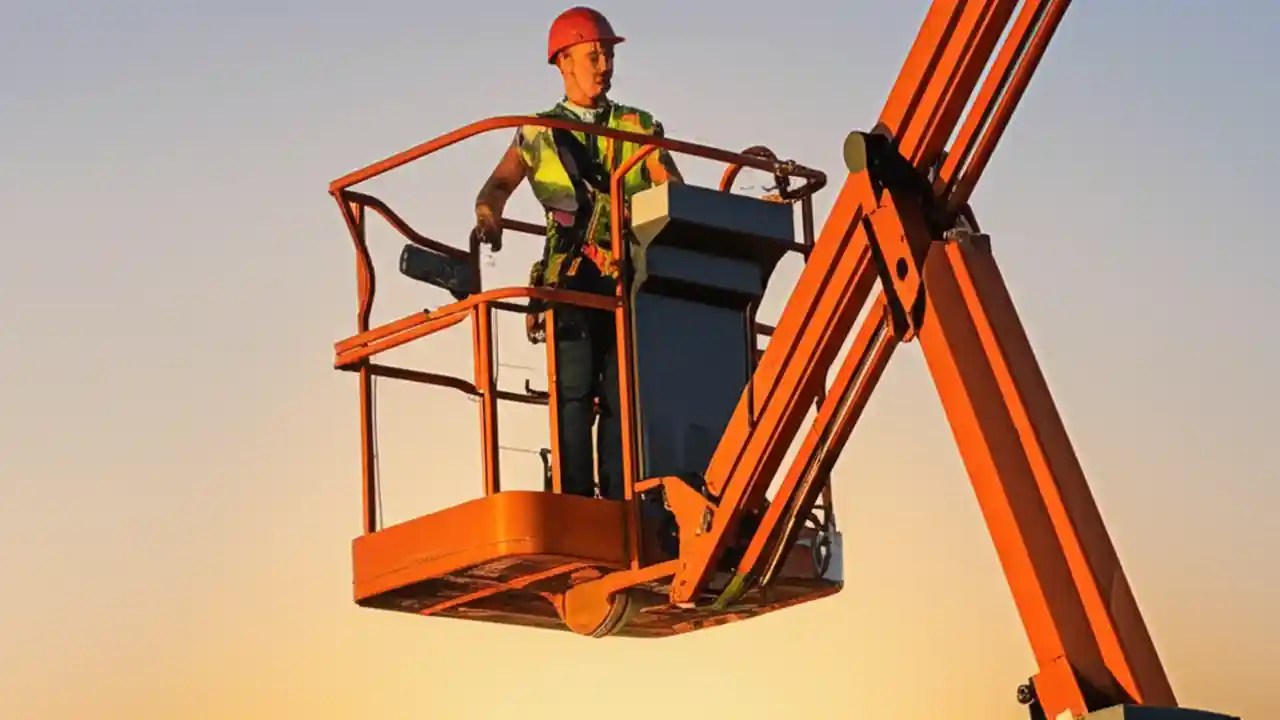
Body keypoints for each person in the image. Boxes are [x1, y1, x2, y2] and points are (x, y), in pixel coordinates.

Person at [471, 6, 682, 500]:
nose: (605, 64)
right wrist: (488, 218)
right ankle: (574, 499)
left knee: (619, 393)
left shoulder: (637, 125)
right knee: (572, 391)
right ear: (564, 61)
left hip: (629, 273)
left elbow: (673, 190)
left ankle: (618, 498)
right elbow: (498, 186)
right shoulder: (537, 130)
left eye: (608, 54)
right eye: (594, 54)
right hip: (569, 274)